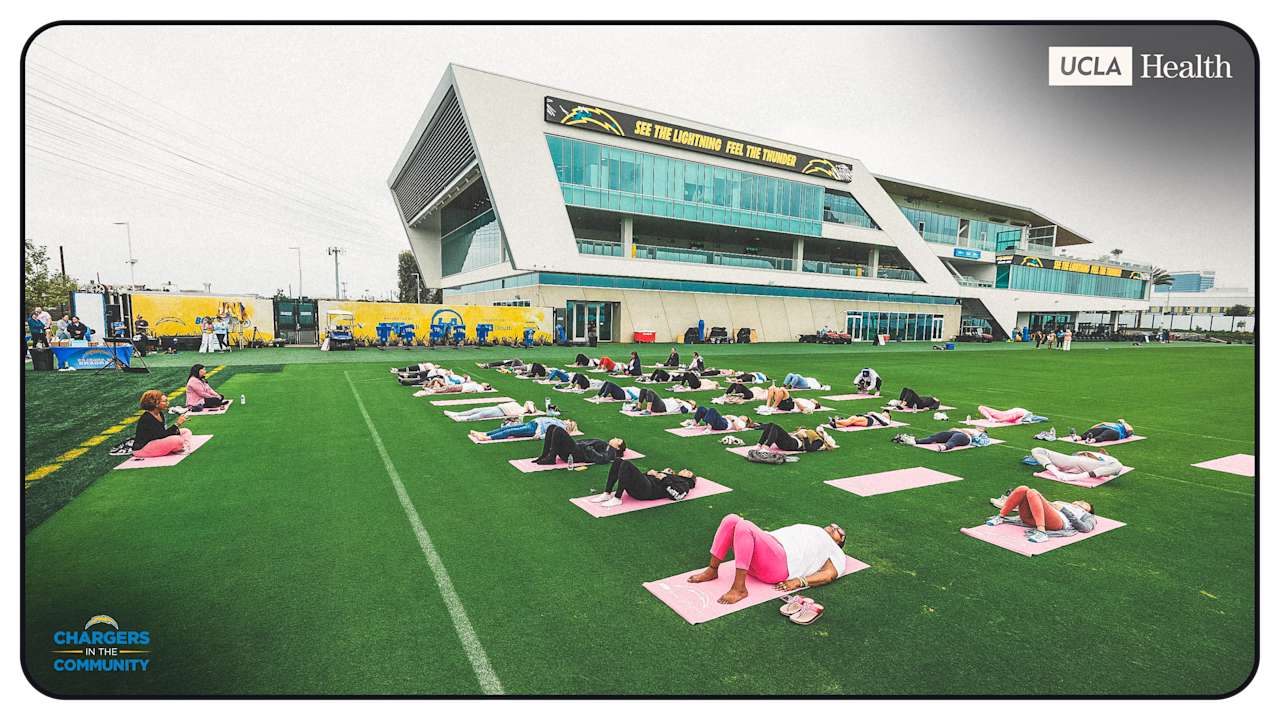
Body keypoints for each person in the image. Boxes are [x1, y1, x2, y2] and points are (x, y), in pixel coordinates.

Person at [687, 514, 849, 604]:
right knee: (731, 520)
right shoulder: (813, 530)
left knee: (744, 526)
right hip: (765, 552)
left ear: (839, 542)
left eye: (839, 531)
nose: (834, 527)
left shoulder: (834, 549)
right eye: (833, 525)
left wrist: (799, 581)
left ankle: (739, 588)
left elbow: (829, 574)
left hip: (780, 564)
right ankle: (712, 569)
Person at [986, 486, 1096, 543]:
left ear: (1087, 510)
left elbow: (1085, 528)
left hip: (1058, 522)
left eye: (1084, 505)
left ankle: (1041, 532)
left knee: (1032, 492)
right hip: (1035, 517)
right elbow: (1042, 504)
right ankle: (1000, 517)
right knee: (1023, 489)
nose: (1081, 502)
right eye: (1080, 501)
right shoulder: (1062, 503)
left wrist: (1064, 510)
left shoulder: (1088, 516)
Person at [587, 461, 697, 507]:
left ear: (689, 479)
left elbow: (677, 495)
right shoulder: (673, 475)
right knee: (618, 461)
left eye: (689, 472)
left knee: (626, 464)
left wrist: (664, 478)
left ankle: (617, 498)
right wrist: (650, 473)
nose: (686, 469)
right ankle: (607, 493)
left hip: (647, 491)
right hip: (643, 485)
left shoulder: (685, 484)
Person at [132, 389, 193, 458]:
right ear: (155, 403)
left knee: (186, 431)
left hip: (155, 441)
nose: (168, 403)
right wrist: (177, 424)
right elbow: (161, 436)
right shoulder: (147, 417)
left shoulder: (159, 414)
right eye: (165, 401)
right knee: (177, 440)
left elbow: (163, 433)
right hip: (142, 449)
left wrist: (176, 427)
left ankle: (179, 447)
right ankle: (178, 447)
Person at [532, 425, 626, 466]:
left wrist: (589, 449)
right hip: (575, 448)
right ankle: (545, 455)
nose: (615, 437)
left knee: (558, 430)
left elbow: (603, 459)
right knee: (551, 428)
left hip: (576, 454)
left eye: (617, 440)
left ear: (617, 447)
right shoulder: (606, 445)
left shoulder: (611, 451)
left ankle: (551, 458)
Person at [1029, 446, 1125, 481]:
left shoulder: (1110, 460)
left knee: (1118, 465)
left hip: (1091, 468)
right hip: (1072, 461)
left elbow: (1114, 471)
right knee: (1037, 450)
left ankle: (1072, 477)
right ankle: (1057, 473)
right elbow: (1078, 454)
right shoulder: (1084, 454)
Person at [470, 417, 578, 443]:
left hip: (534, 428)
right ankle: (485, 433)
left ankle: (487, 438)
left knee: (509, 431)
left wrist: (539, 435)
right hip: (532, 423)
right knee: (507, 427)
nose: (568, 420)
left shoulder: (561, 427)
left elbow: (551, 433)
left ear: (569, 426)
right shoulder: (559, 421)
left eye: (570, 422)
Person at [755, 423, 838, 452]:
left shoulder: (819, 441)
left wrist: (805, 437)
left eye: (821, 432)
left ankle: (765, 448)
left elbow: (809, 449)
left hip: (792, 444)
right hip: (789, 441)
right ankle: (759, 445)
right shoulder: (813, 434)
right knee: (771, 425)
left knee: (775, 427)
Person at [897, 427, 987, 451]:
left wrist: (960, 430)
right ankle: (915, 441)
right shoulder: (973, 429)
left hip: (966, 437)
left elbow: (982, 441)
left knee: (955, 439)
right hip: (957, 432)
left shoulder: (980, 434)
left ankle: (945, 447)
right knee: (939, 435)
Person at [450, 400, 540, 422]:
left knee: (482, 414)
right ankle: (458, 413)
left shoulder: (522, 410)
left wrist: (531, 407)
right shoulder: (519, 406)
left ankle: (464, 419)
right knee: (476, 409)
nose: (526, 403)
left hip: (501, 412)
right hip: (498, 407)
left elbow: (530, 405)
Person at [690, 406, 757, 432]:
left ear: (746, 420)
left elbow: (738, 429)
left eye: (745, 416)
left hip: (724, 425)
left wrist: (732, 419)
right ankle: (694, 423)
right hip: (721, 420)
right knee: (702, 408)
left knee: (712, 409)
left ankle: (708, 428)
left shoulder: (742, 423)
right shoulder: (737, 417)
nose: (742, 416)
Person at [1069, 420, 1134, 444]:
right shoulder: (1112, 424)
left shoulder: (1124, 427)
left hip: (1116, 432)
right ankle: (1077, 437)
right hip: (1103, 428)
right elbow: (1102, 423)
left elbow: (1130, 430)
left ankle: (1091, 440)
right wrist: (1091, 429)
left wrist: (1123, 422)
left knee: (1104, 435)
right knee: (1092, 432)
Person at [824, 410, 893, 429]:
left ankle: (836, 421)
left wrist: (874, 415)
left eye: (886, 413)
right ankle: (836, 425)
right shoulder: (879, 414)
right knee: (852, 420)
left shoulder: (886, 420)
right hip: (867, 418)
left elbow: (884, 424)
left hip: (870, 420)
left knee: (853, 419)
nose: (884, 413)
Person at [414, 380, 493, 396]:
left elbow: (474, 391)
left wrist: (467, 392)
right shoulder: (478, 384)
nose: (484, 383)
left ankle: (434, 391)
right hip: (463, 386)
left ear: (486, 386)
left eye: (486, 383)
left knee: (448, 389)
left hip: (463, 388)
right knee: (448, 387)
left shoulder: (481, 388)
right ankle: (434, 390)